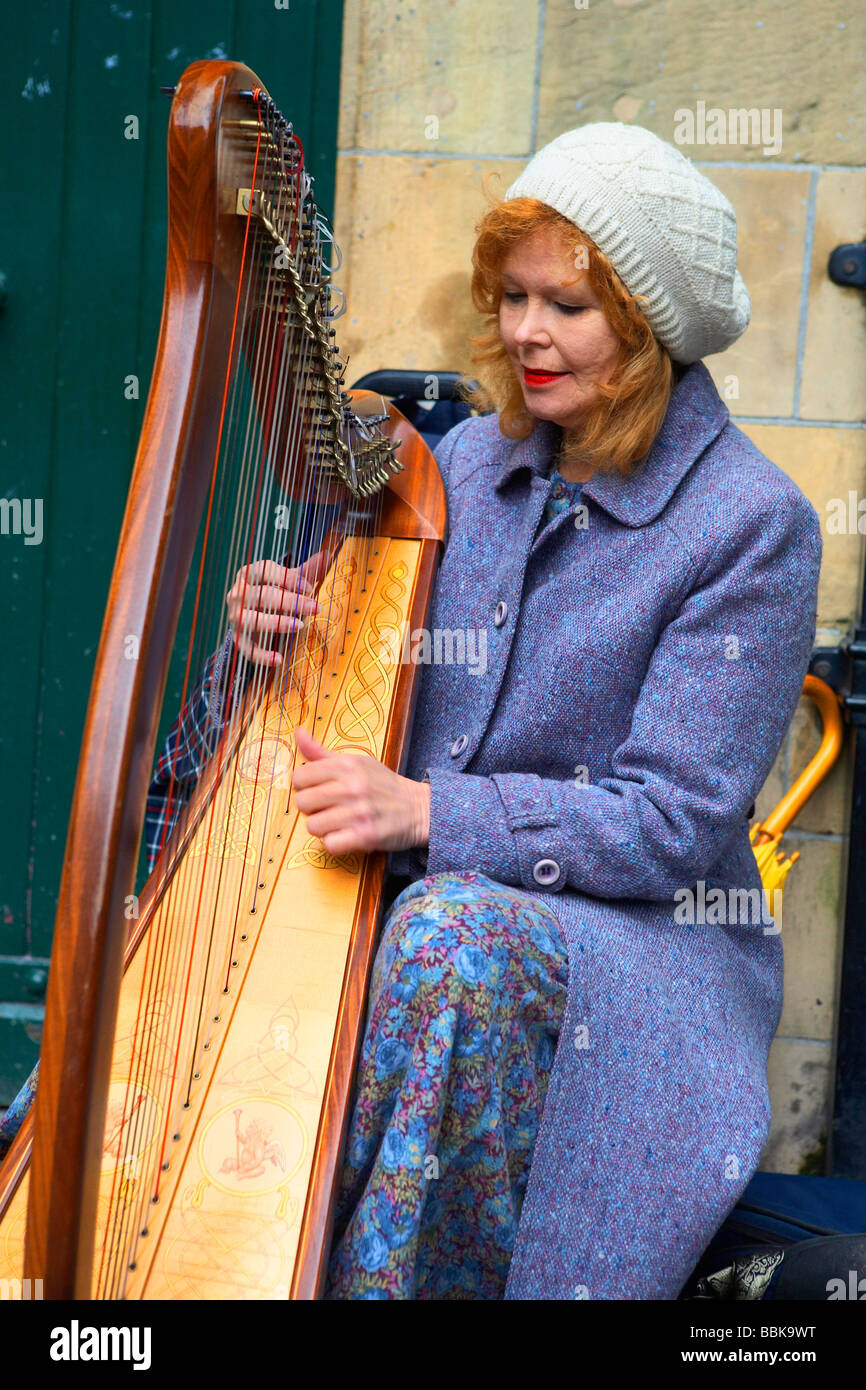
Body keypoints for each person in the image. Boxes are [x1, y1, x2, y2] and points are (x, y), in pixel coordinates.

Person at [2, 123, 822, 1305]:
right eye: (513, 297)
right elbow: (224, 775)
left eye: (569, 308)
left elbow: (672, 824)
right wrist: (257, 651)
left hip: (636, 949)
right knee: (178, 926)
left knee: (446, 936)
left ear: (648, 330)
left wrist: (433, 812)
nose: (526, 334)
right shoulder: (438, 476)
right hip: (419, 884)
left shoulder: (750, 523)